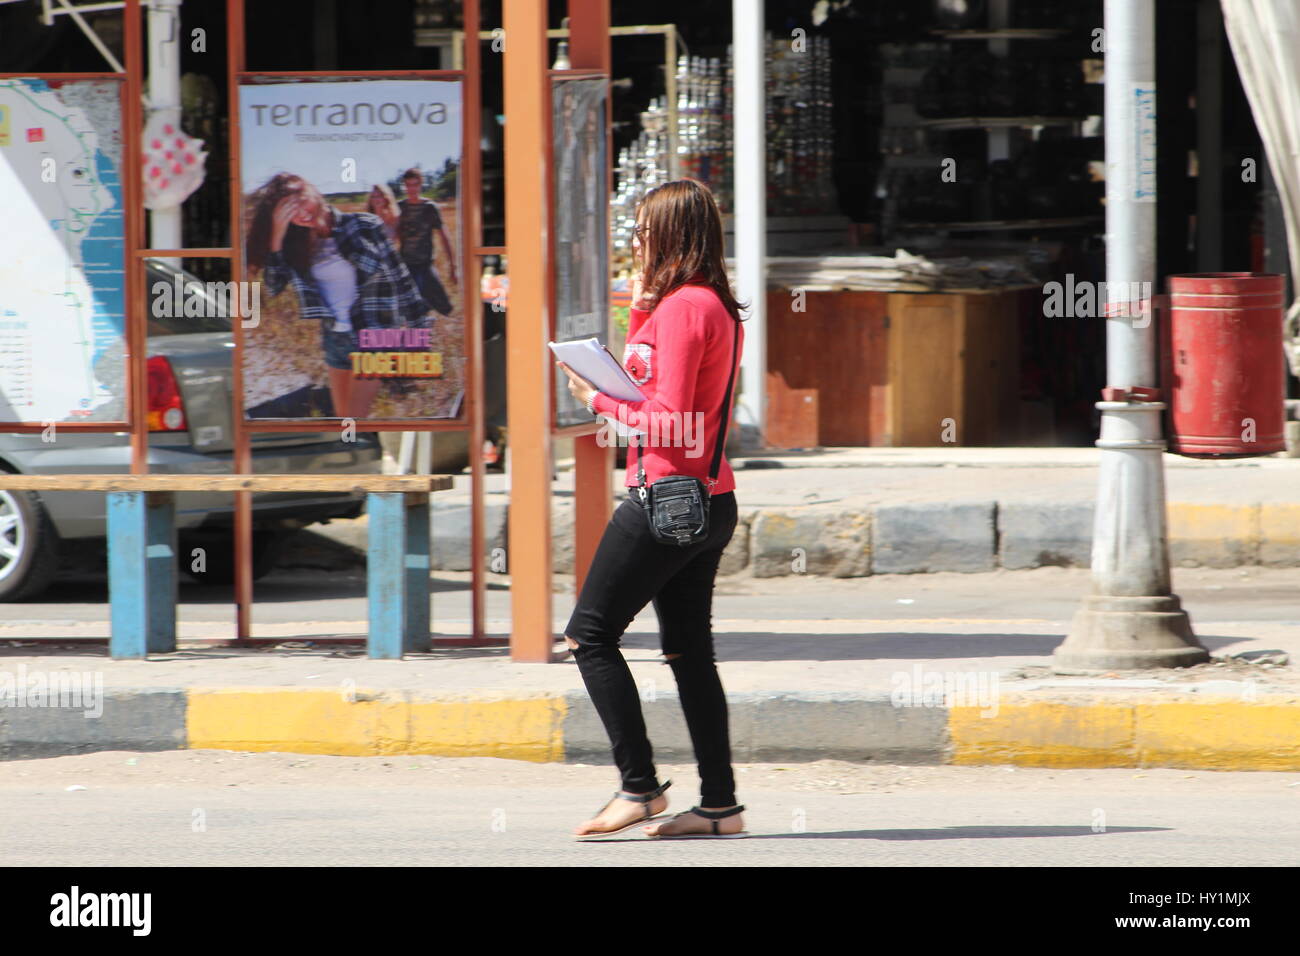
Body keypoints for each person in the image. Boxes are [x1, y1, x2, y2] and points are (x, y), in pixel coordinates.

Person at [556, 179, 748, 840]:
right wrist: (640, 308)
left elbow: (664, 419)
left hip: (663, 500)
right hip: (706, 500)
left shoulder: (686, 310)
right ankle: (720, 806)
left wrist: (595, 401)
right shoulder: (705, 305)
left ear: (671, 236)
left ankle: (639, 787)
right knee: (689, 653)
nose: (634, 242)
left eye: (642, 231)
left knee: (588, 635)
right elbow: (652, 379)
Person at [246, 173, 429, 419]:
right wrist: (277, 236)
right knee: (343, 421)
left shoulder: (364, 225)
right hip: (336, 338)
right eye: (290, 212)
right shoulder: (298, 245)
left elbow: (401, 276)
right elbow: (274, 286)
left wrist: (420, 331)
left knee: (354, 419)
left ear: (313, 191)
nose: (302, 214)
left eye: (302, 203)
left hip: (374, 335)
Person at [397, 167, 458, 318]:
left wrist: (453, 266)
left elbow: (445, 237)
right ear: (404, 186)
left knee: (444, 306)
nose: (412, 189)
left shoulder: (429, 208)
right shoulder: (400, 207)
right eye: (408, 185)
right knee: (410, 309)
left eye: (415, 184)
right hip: (406, 265)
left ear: (421, 185)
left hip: (425, 265)